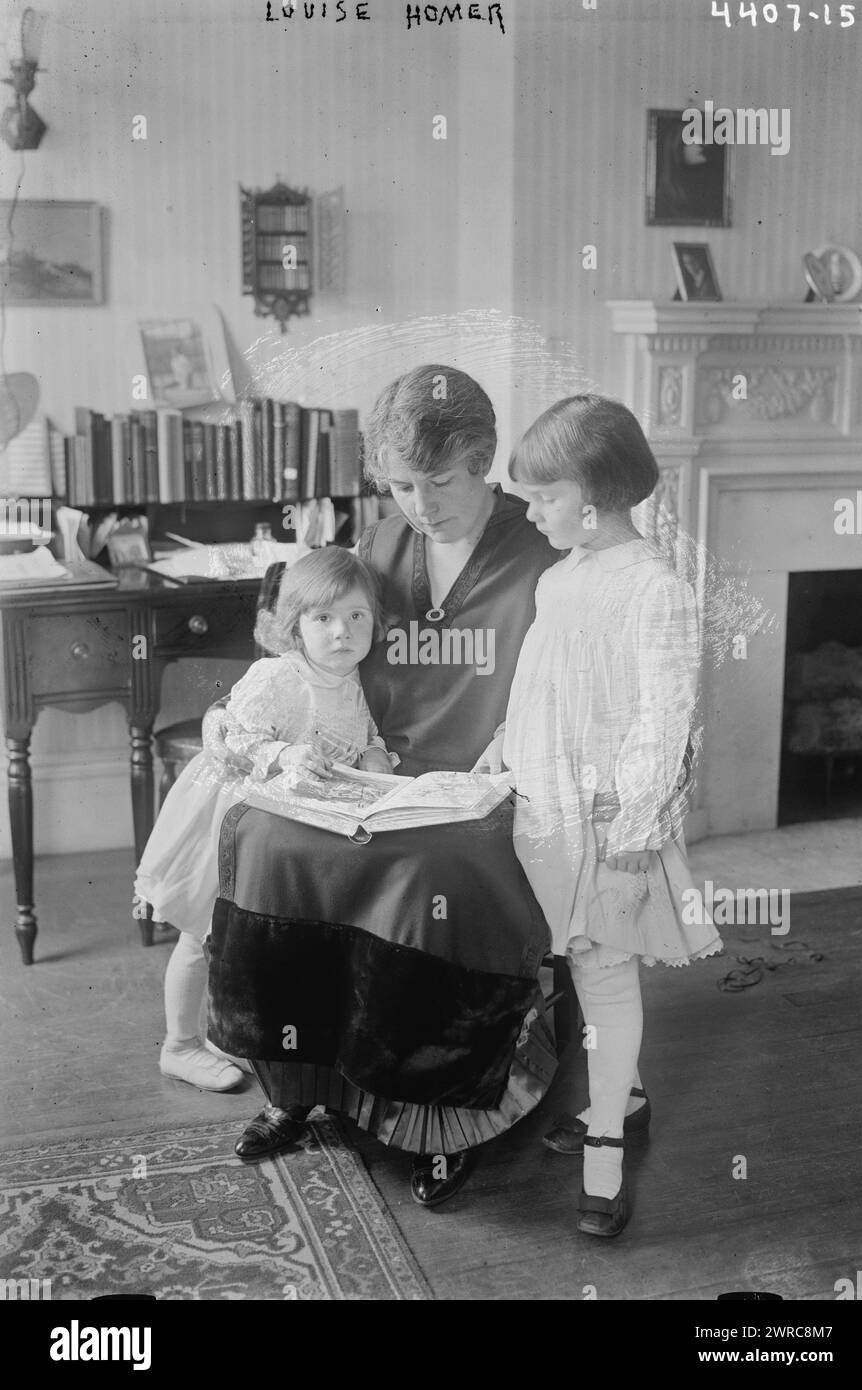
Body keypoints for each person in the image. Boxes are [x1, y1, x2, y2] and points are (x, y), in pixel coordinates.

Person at [203, 365, 560, 1205]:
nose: (419, 505)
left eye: (439, 482)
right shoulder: (378, 547)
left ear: (483, 461)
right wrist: (258, 727)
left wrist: (509, 757)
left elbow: (563, 688)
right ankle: (302, 1086)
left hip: (484, 785)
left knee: (429, 876)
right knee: (261, 838)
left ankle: (441, 1118)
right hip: (368, 773)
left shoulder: (541, 550)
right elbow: (314, 647)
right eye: (400, 485)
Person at [498, 394, 721, 1237]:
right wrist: (502, 746)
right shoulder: (559, 577)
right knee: (572, 967)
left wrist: (635, 831)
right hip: (542, 807)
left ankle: (602, 1158)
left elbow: (666, 723)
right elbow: (541, 688)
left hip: (605, 823)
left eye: (542, 497)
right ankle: (621, 1095)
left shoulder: (655, 591)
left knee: (604, 974)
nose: (528, 511)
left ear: (592, 498)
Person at [133, 547, 394, 1092]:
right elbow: (236, 736)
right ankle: (178, 1045)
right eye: (323, 618)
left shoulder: (350, 685)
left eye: (356, 617)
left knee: (256, 939)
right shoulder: (276, 675)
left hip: (286, 830)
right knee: (203, 931)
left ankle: (237, 1035)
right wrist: (282, 753)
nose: (341, 632)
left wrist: (374, 758)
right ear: (295, 626)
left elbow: (363, 738)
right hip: (232, 818)